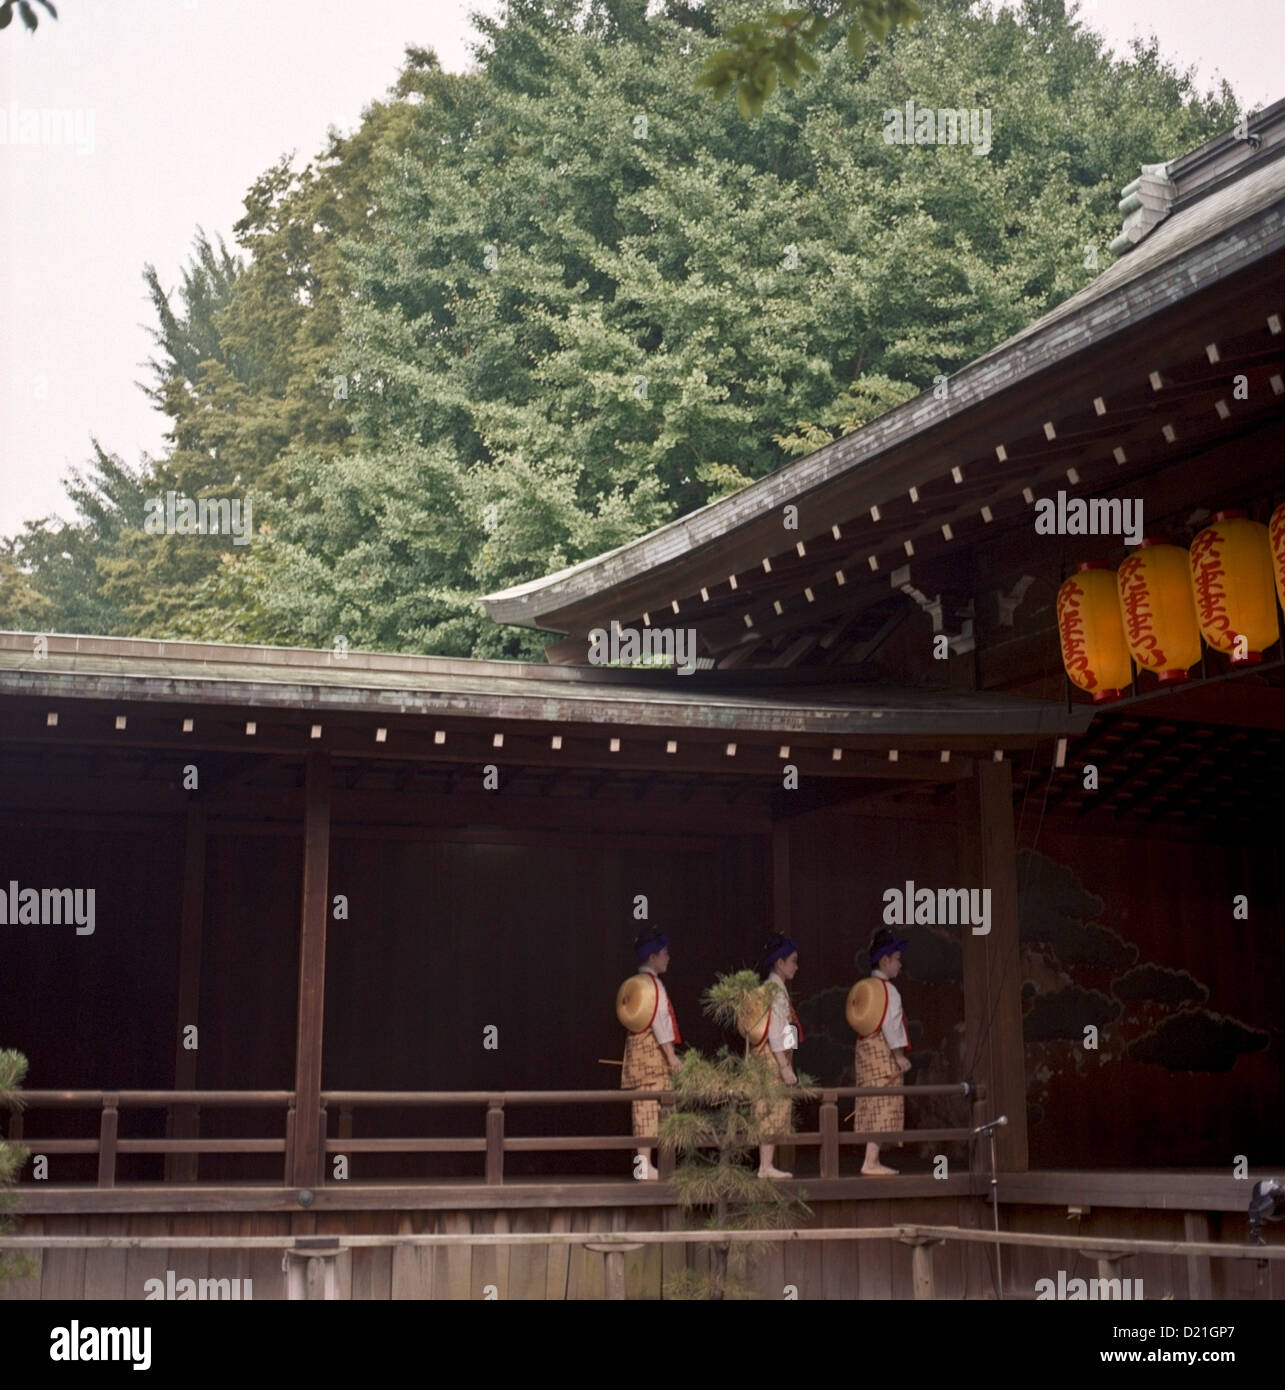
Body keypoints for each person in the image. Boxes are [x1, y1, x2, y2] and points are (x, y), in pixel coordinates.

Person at [621, 931, 681, 1181]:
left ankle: (645, 1165)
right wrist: (671, 1056)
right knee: (650, 1109)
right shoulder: (652, 985)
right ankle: (644, 1166)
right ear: (653, 956)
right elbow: (660, 1023)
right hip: (652, 1053)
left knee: (643, 1109)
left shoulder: (636, 983)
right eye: (664, 953)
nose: (668, 958)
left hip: (637, 1051)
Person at [853, 928, 910, 1176]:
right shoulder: (888, 990)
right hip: (882, 1052)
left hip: (865, 1050)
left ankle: (871, 1158)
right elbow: (892, 1025)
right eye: (897, 958)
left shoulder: (865, 986)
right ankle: (871, 1160)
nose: (900, 963)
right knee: (883, 1100)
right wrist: (899, 1056)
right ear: (885, 960)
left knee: (871, 1100)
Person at [752, 934, 802, 1181]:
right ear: (780, 963)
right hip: (773, 1057)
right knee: (770, 1107)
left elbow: (785, 1029)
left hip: (772, 1055)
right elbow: (775, 1030)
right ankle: (766, 1165)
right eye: (792, 961)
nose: (796, 965)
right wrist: (784, 1064)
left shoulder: (774, 989)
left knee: (771, 1107)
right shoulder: (775, 992)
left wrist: (789, 1057)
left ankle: (766, 1164)